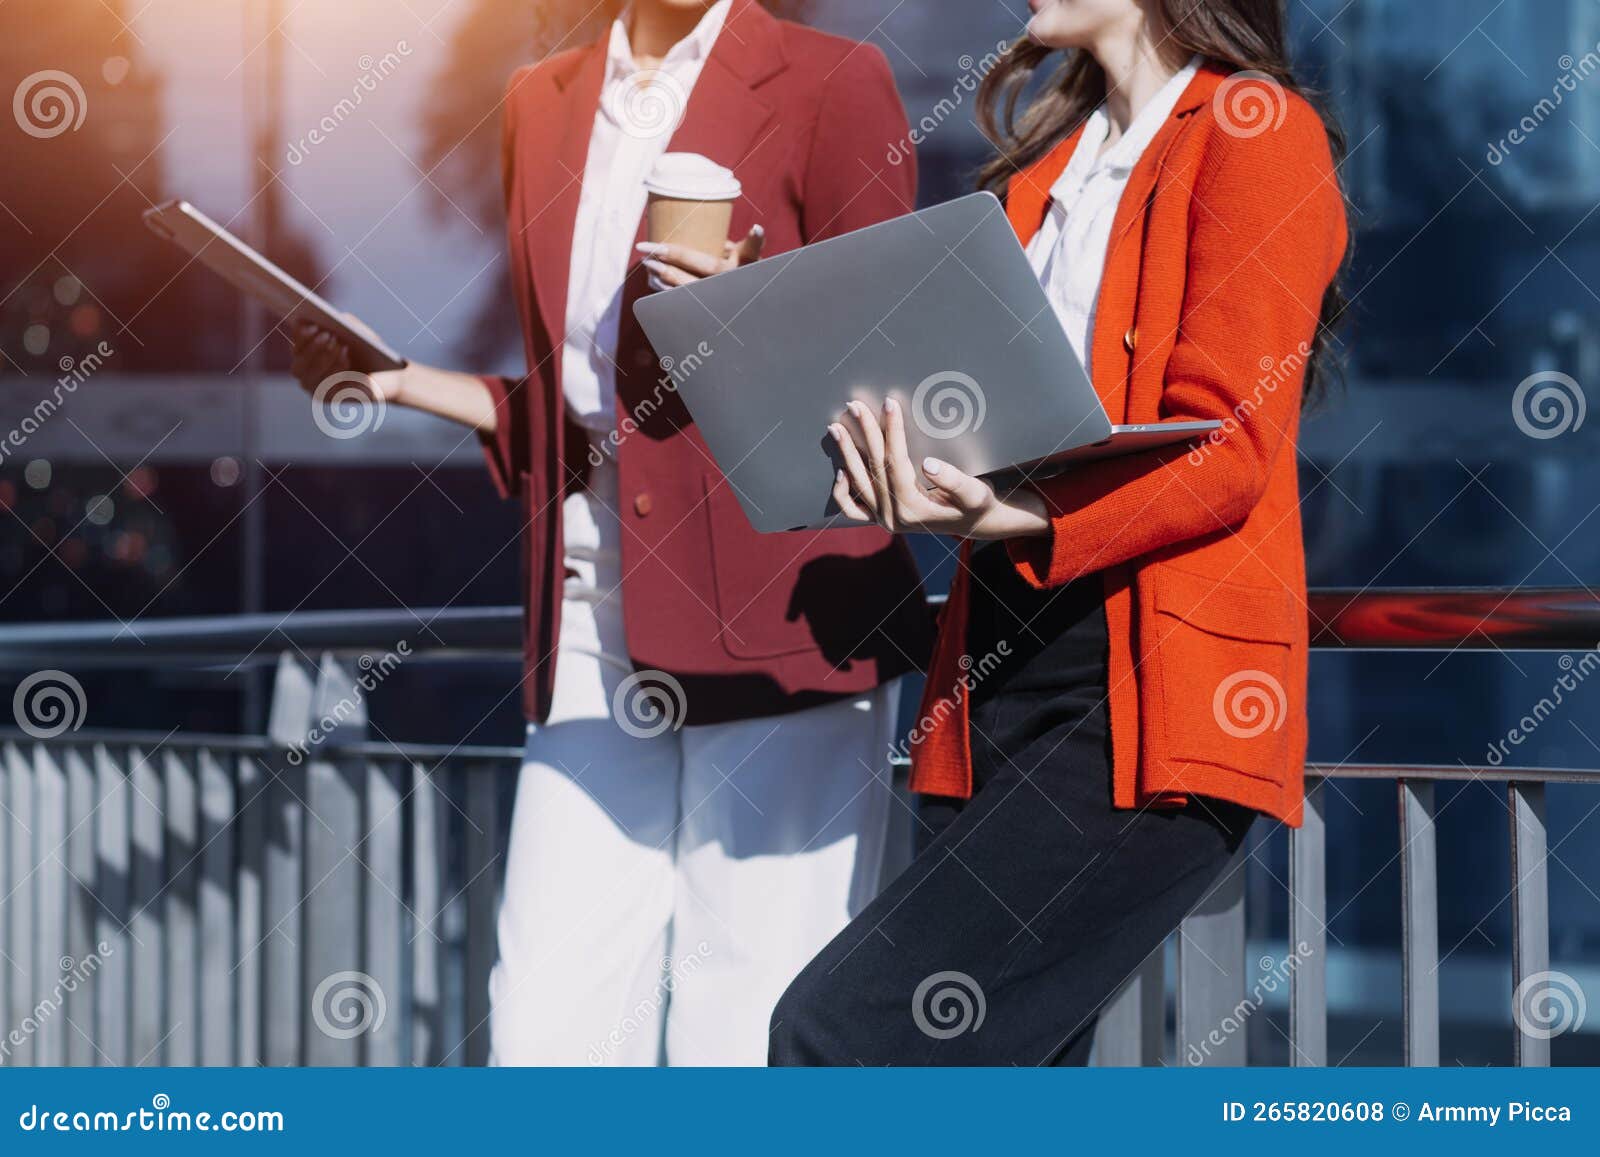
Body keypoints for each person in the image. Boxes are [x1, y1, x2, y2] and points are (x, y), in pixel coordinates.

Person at [289, 0, 932, 1066]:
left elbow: (897, 365)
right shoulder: (539, 102)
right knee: (548, 1015)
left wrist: (747, 312)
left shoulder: (832, 82)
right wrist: (394, 379)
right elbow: (573, 403)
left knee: (749, 1010)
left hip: (784, 605)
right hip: (594, 603)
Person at [766, 0, 1349, 1065]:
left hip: (1144, 694)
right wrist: (902, 467)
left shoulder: (1257, 129)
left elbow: (1225, 446)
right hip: (998, 664)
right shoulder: (1049, 167)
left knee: (834, 1031)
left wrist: (1013, 514)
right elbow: (999, 419)